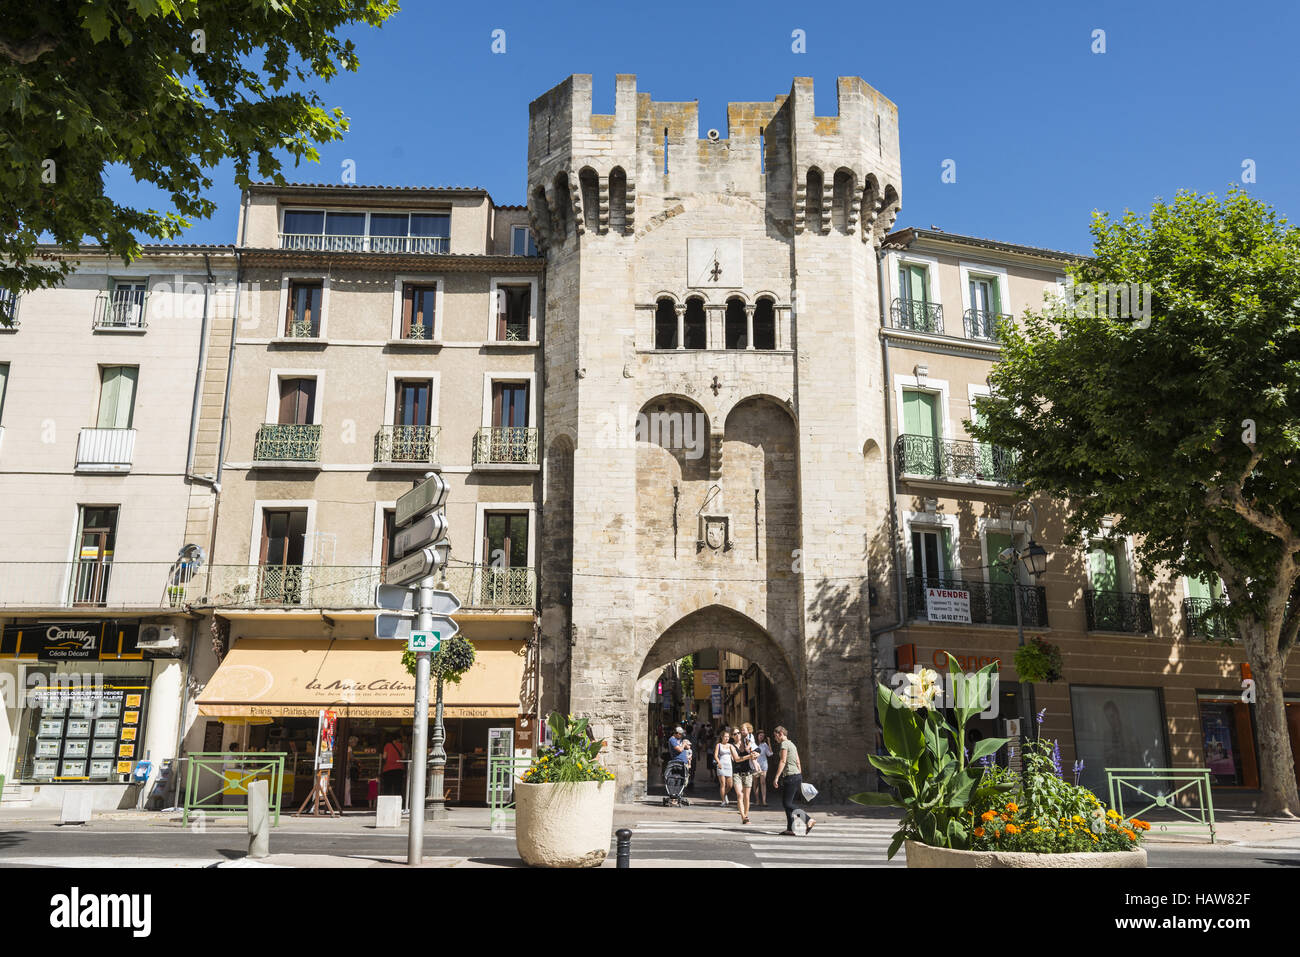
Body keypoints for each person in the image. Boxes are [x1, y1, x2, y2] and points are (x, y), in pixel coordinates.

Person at [771, 726, 815, 836]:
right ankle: (790, 829)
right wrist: (799, 775)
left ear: (780, 733)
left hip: (791, 776)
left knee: (787, 803)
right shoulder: (792, 744)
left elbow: (783, 760)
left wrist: (776, 776)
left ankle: (808, 819)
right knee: (787, 804)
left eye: (775, 736)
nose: (775, 738)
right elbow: (798, 761)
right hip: (796, 776)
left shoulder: (784, 744)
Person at [731, 726, 758, 824]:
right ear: (732, 736)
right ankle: (743, 816)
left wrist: (756, 754)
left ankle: (745, 815)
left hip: (747, 772)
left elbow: (755, 750)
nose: (737, 735)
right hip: (737, 773)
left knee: (747, 797)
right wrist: (749, 756)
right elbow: (737, 759)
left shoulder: (747, 742)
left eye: (738, 733)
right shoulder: (732, 746)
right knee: (740, 795)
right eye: (735, 734)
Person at [713, 728, 734, 806]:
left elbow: (733, 754)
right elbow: (715, 755)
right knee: (723, 784)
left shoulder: (730, 745)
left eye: (728, 737)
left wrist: (733, 758)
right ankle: (723, 801)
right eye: (725, 736)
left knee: (730, 785)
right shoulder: (719, 745)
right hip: (721, 765)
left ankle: (724, 794)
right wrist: (718, 763)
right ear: (722, 737)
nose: (727, 738)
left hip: (729, 766)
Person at [381, 733, 406, 798]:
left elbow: (384, 756)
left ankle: (388, 802)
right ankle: (398, 803)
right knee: (397, 787)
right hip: (399, 768)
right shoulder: (401, 745)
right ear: (397, 739)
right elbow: (403, 756)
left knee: (387, 787)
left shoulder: (387, 745)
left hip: (388, 768)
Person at [754, 730, 773, 807]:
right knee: (756, 783)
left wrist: (769, 743)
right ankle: (757, 800)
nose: (761, 737)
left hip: (764, 765)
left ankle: (764, 801)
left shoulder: (764, 745)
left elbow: (770, 754)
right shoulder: (753, 744)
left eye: (763, 736)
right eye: (760, 735)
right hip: (755, 765)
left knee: (763, 782)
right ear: (757, 736)